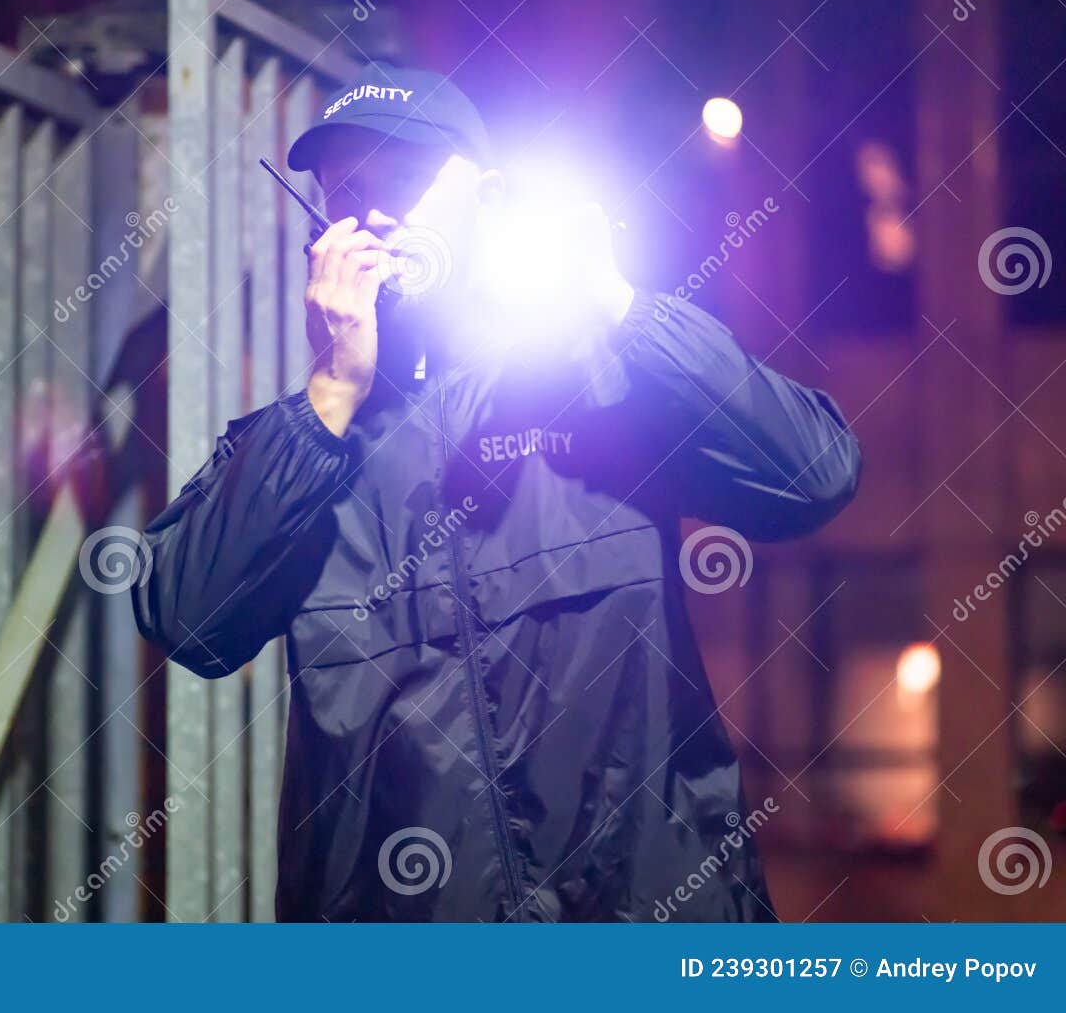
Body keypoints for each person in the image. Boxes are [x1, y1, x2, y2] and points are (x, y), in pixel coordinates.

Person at [131, 65, 862, 921]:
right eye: (346, 191)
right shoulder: (307, 446)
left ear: (489, 197)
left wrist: (620, 305)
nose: (374, 212)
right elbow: (190, 621)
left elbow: (813, 476)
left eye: (405, 176)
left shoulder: (605, 381)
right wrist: (329, 390)